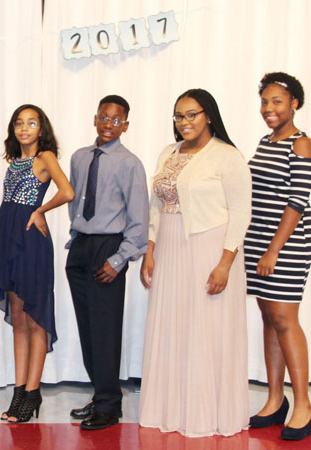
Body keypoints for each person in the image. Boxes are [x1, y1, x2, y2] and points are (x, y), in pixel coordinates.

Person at [139, 88, 251, 437]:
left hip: (209, 248)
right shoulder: (168, 152)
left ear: (209, 116)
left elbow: (241, 213)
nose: (184, 122)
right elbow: (155, 207)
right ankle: (171, 409)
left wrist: (225, 262)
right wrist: (150, 249)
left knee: (204, 330)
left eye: (192, 114)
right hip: (170, 249)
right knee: (173, 328)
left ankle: (205, 414)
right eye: (179, 115)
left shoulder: (227, 155)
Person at [65, 95, 149, 431]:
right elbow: (76, 200)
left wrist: (119, 258)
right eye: (104, 117)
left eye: (116, 120)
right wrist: (76, 237)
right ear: (95, 119)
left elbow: (139, 220)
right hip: (81, 246)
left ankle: (110, 406)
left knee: (105, 329)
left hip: (108, 248)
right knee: (87, 328)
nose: (108, 124)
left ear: (125, 125)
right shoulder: (80, 157)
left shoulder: (130, 164)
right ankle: (100, 393)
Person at [0, 104, 73, 423]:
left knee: (35, 317)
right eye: (19, 123)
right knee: (18, 319)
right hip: (9, 240)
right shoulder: (14, 163)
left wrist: (40, 210)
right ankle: (19, 390)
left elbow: (67, 192)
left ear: (41, 129)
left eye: (31, 123)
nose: (24, 128)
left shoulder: (44, 157)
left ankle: (32, 391)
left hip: (31, 242)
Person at [244, 72, 311, 441]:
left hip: (285, 246)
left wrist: (273, 250)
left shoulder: (301, 145)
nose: (268, 108)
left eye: (277, 102)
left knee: (285, 320)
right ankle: (274, 400)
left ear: (294, 104)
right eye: (264, 102)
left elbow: (297, 201)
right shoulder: (266, 141)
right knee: (269, 318)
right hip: (257, 242)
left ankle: (303, 405)